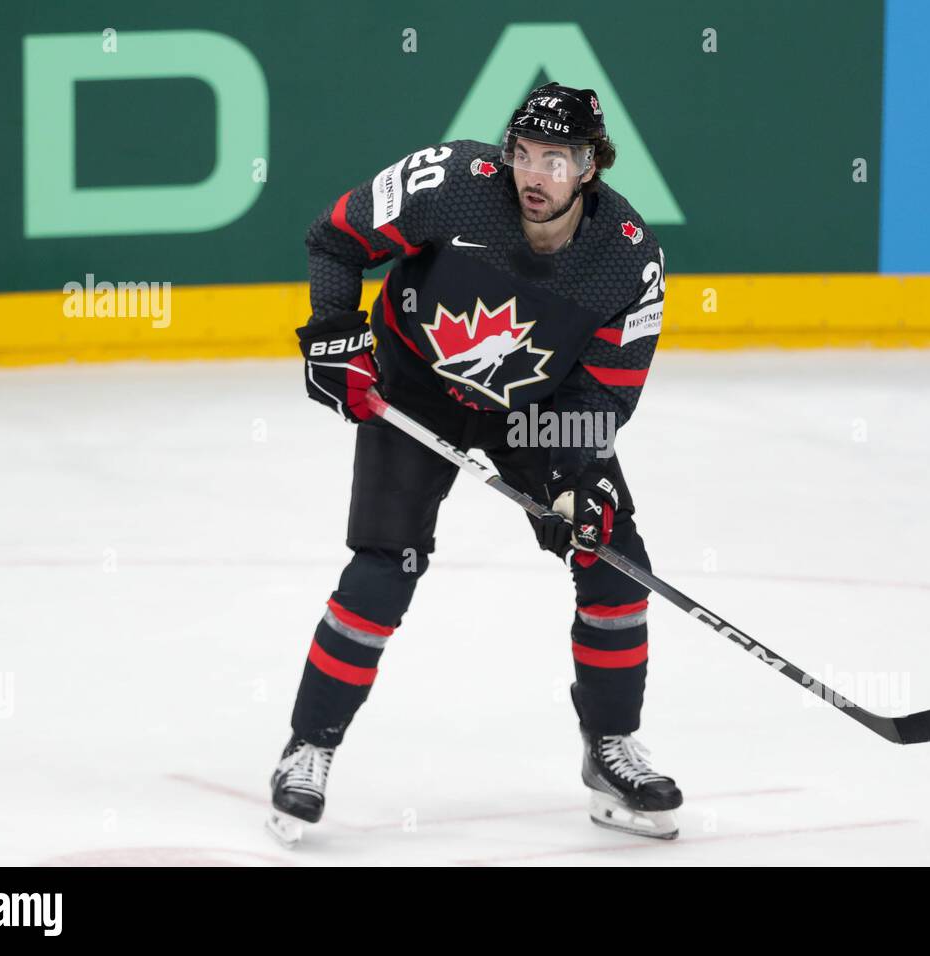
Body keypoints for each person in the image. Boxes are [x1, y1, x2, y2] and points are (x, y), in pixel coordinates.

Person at [268, 82, 678, 844]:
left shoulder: (629, 260)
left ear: (591, 166)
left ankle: (610, 746)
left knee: (613, 556)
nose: (534, 173)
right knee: (384, 567)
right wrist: (334, 337)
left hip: (538, 410)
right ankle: (308, 750)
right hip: (415, 388)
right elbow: (335, 238)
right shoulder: (454, 185)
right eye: (523, 153)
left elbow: (605, 390)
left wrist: (577, 479)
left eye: (556, 160)